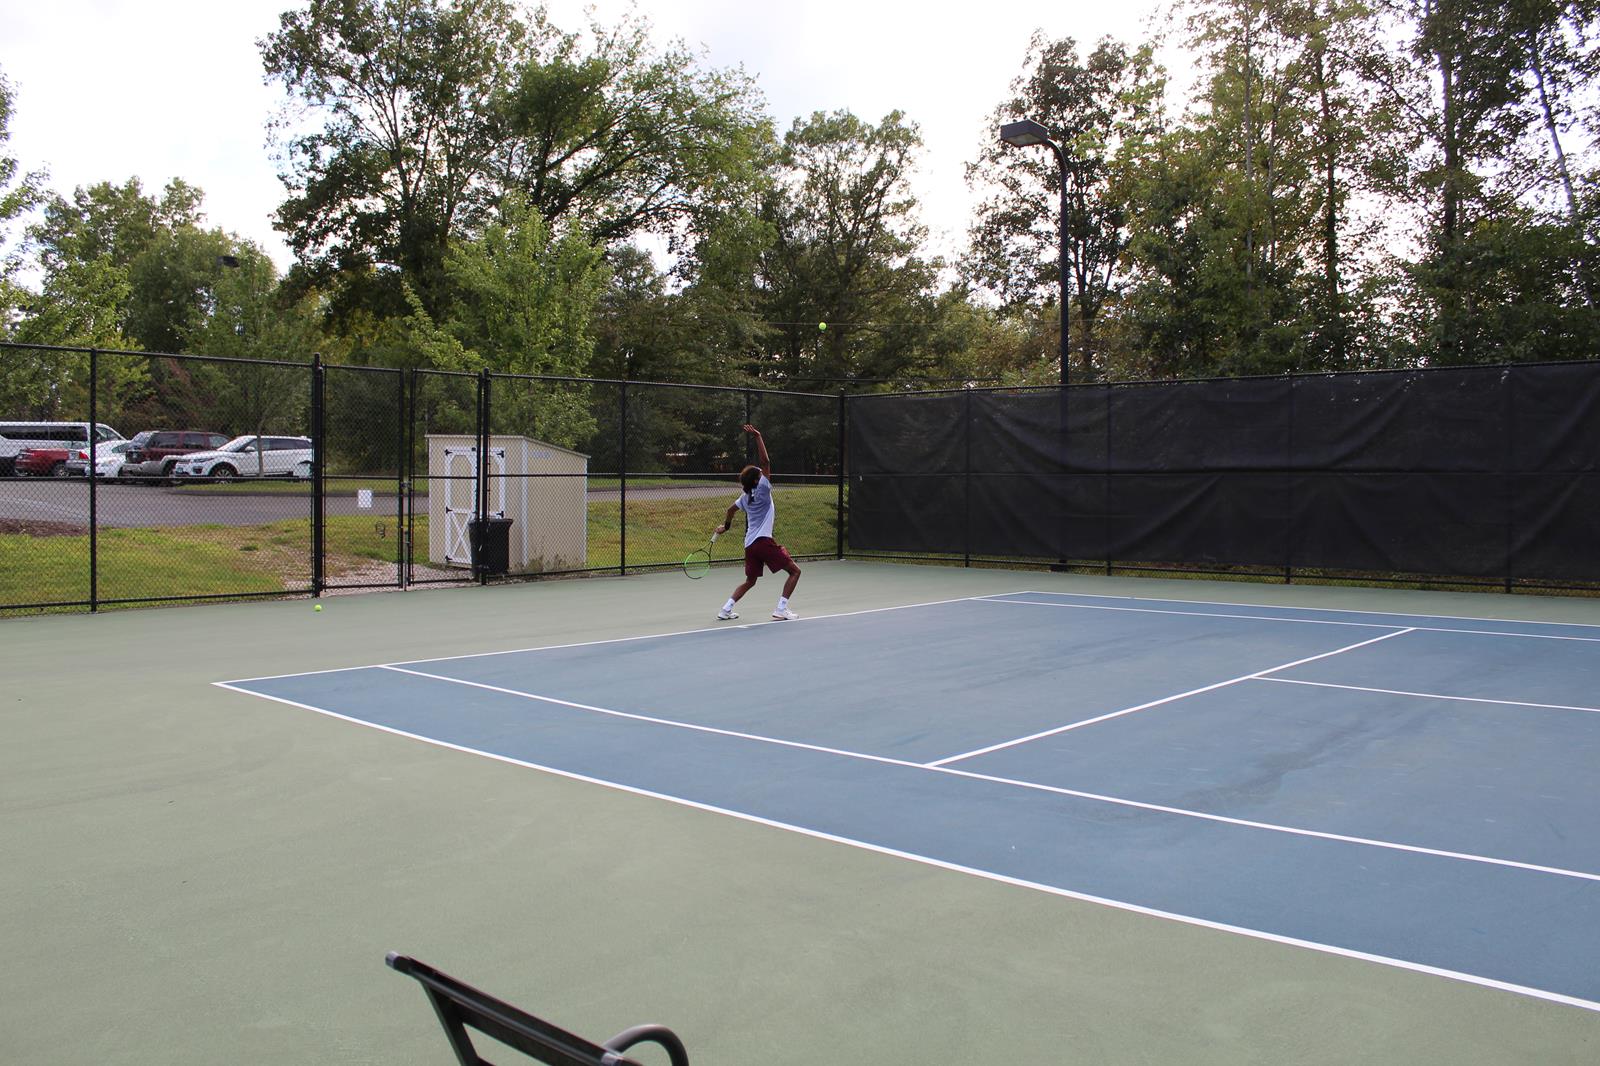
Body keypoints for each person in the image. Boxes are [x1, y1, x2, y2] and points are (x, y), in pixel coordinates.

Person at [714, 424, 801, 621]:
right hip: (762, 542)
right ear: (756, 481)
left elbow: (730, 510)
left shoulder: (744, 497)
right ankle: (781, 609)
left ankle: (725, 609)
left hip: (750, 545)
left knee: (750, 580)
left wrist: (725, 527)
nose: (764, 474)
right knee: (795, 572)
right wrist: (758, 437)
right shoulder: (763, 490)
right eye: (760, 474)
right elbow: (766, 461)